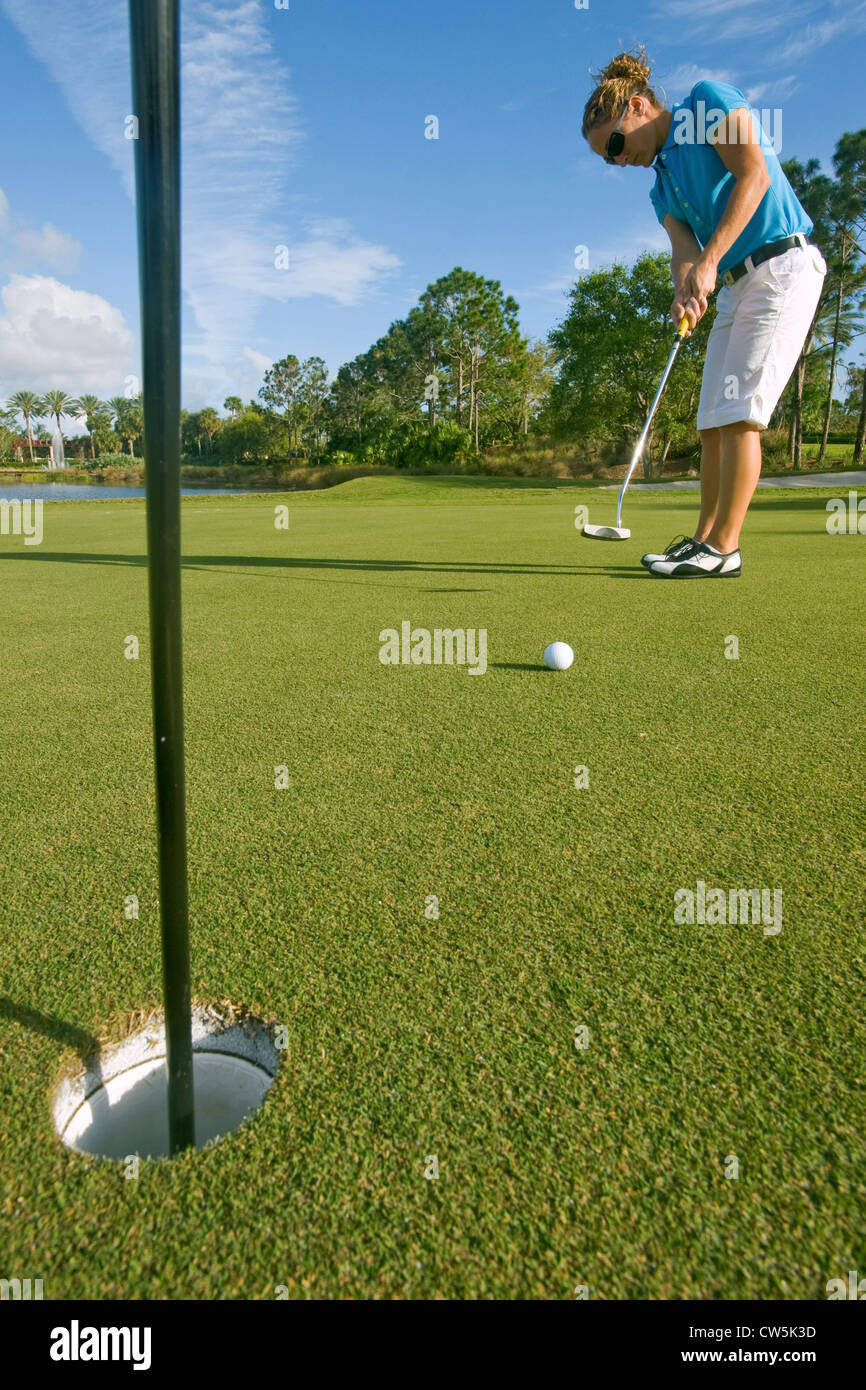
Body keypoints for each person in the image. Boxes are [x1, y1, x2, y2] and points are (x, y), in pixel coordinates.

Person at [582, 48, 826, 578]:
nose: (617, 160)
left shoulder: (704, 103)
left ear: (639, 107)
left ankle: (725, 548)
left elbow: (754, 175)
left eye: (616, 145)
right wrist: (683, 289)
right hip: (737, 284)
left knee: (740, 415)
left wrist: (711, 261)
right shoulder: (661, 184)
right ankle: (700, 541)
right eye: (607, 158)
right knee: (713, 420)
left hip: (781, 265)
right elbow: (683, 253)